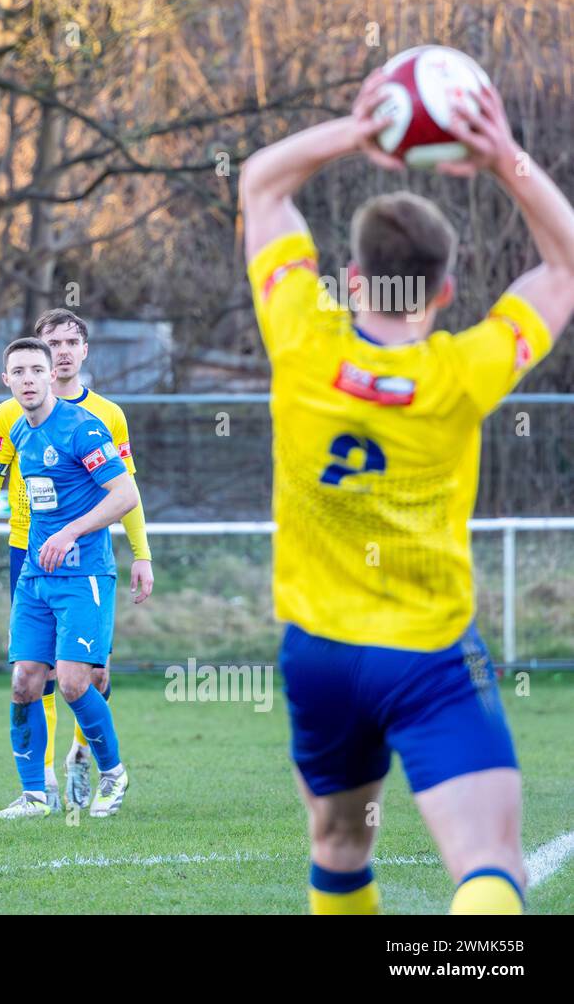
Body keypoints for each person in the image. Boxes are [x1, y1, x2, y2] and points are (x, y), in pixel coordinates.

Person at [239, 71, 574, 913]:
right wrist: (503, 158)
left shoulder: (302, 341)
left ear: (352, 280)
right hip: (427, 654)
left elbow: (260, 183)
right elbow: (566, 269)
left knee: (341, 847)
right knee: (491, 863)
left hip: (319, 653)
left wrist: (362, 129)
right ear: (447, 291)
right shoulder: (464, 371)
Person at [0, 309, 154, 811]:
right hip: (34, 575)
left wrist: (75, 532)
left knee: (74, 682)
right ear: (6, 381)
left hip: (84, 574)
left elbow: (125, 493)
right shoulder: (19, 432)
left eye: (37, 370)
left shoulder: (85, 428)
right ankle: (34, 794)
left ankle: (112, 775)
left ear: (55, 374)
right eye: (19, 373)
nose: (29, 380)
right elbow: (2, 489)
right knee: (26, 678)